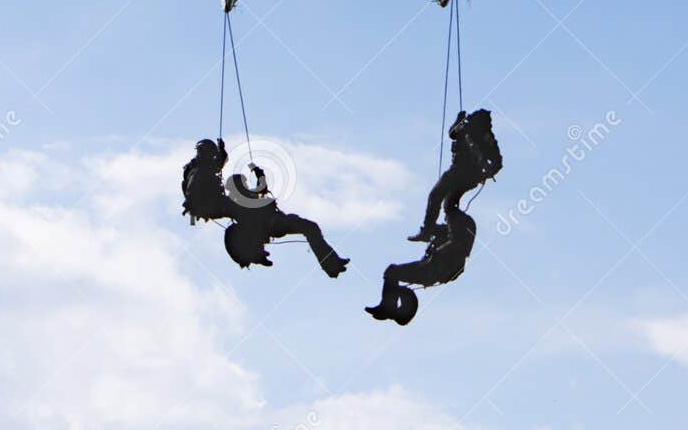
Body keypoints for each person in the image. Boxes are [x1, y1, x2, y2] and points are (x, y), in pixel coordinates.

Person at [181, 139, 349, 278]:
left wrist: (254, 170)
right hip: (271, 224)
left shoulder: (237, 199)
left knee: (310, 228)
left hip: (272, 223)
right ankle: (329, 265)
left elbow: (258, 185)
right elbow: (213, 196)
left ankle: (331, 264)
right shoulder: (231, 200)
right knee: (309, 228)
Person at [367, 202, 477, 325]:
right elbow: (433, 229)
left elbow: (455, 248)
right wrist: (427, 230)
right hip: (430, 268)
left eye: (447, 218)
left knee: (392, 272)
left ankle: (387, 307)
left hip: (431, 270)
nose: (445, 220)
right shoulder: (451, 232)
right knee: (393, 274)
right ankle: (389, 308)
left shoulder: (457, 239)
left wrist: (436, 253)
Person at [408, 109, 502, 242]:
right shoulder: (482, 134)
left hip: (459, 172)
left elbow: (453, 133)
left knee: (436, 195)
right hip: (469, 177)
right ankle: (449, 231)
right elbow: (453, 134)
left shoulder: (477, 131)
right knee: (449, 205)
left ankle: (428, 231)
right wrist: (483, 175)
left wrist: (484, 174)